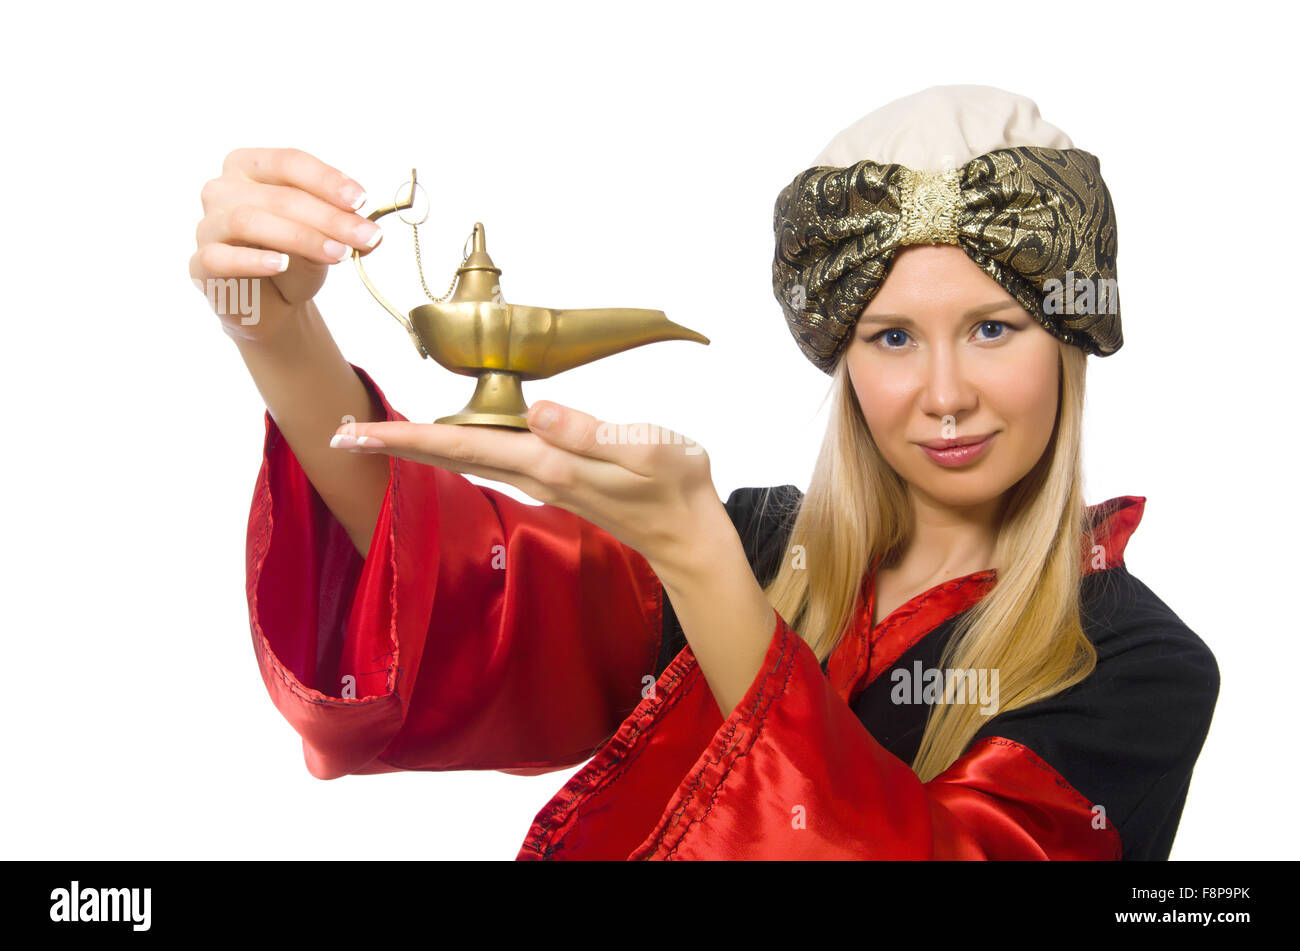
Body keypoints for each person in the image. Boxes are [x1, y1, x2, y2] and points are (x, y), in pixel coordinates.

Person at [193, 85, 1219, 860]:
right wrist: (277, 335)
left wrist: (701, 566)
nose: (945, 394)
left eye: (993, 328)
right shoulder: (761, 544)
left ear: (1070, 342)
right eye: (893, 336)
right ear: (842, 356)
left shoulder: (1135, 664)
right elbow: (464, 593)